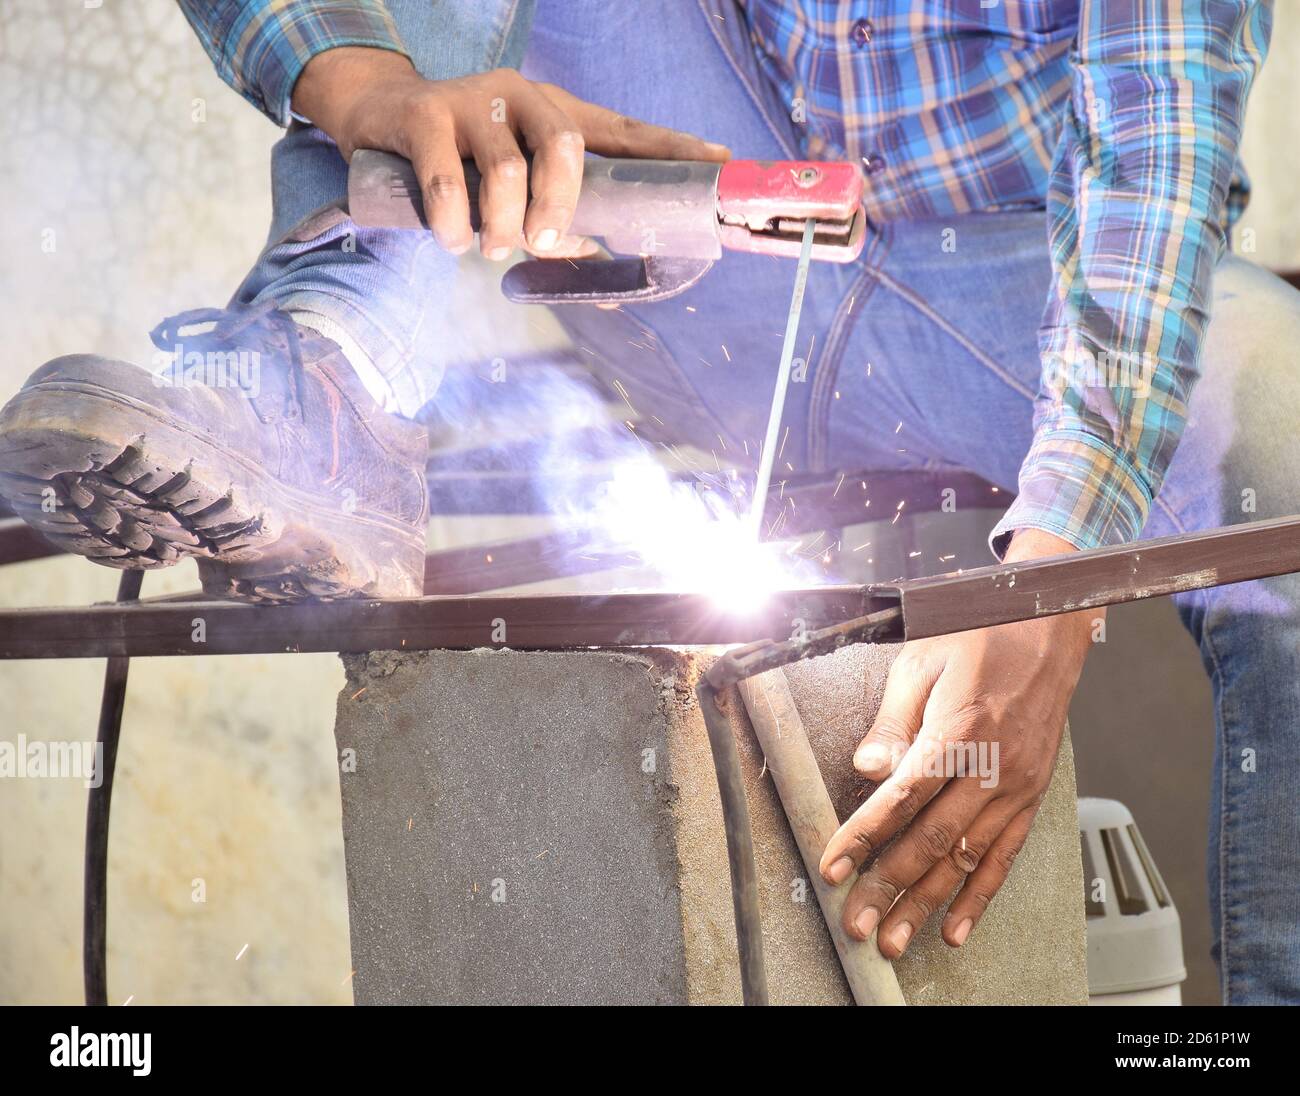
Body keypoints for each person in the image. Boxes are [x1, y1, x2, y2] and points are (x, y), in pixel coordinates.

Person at [0, 1, 1293, 1002]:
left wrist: (1056, 563)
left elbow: (1159, 145)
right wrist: (365, 84)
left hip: (1005, 294)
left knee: (1280, 425)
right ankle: (335, 388)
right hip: (706, 245)